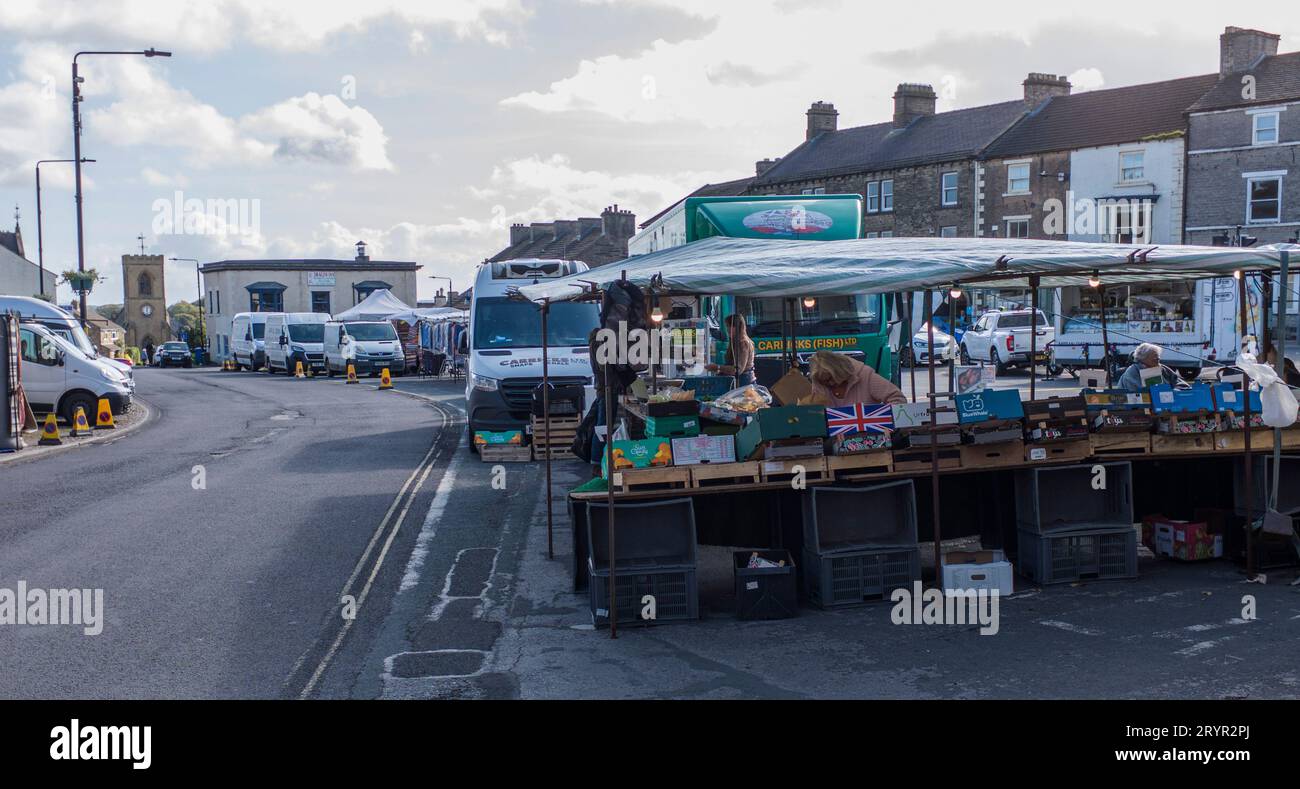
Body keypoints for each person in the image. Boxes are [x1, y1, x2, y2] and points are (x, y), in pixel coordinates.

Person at [808, 349, 907, 407]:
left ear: (839, 371)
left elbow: (897, 399)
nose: (828, 384)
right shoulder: (818, 383)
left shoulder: (865, 375)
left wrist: (882, 420)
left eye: (830, 379)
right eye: (823, 381)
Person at [705, 314, 755, 386]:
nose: (727, 329)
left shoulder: (743, 343)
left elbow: (738, 370)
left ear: (737, 327)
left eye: (729, 326)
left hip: (744, 383)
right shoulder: (734, 342)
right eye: (727, 327)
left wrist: (717, 367)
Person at [1118, 343, 1186, 391]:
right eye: (1155, 357)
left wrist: (1176, 390)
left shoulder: (1162, 368)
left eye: (1158, 357)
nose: (1158, 359)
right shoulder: (1133, 371)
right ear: (1143, 358)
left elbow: (1180, 382)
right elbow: (1138, 391)